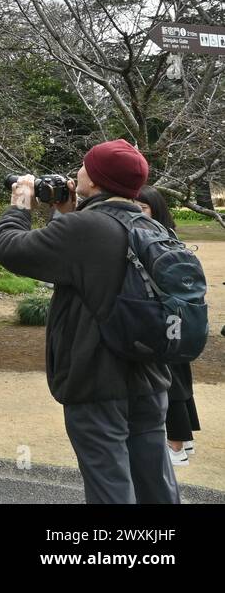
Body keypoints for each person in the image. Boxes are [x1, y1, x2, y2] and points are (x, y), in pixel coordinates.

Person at [0, 140, 179, 504]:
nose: (77, 173)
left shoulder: (86, 229)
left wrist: (20, 204)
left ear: (93, 179)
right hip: (150, 375)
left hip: (96, 378)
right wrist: (70, 211)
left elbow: (9, 247)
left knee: (110, 484)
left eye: (83, 167)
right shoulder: (152, 226)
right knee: (154, 480)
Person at [135, 185, 199, 467]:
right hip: (177, 318)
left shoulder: (154, 241)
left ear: (155, 210)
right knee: (174, 376)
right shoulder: (169, 238)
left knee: (170, 377)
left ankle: (175, 445)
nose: (137, 211)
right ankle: (181, 440)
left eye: (143, 207)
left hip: (166, 318)